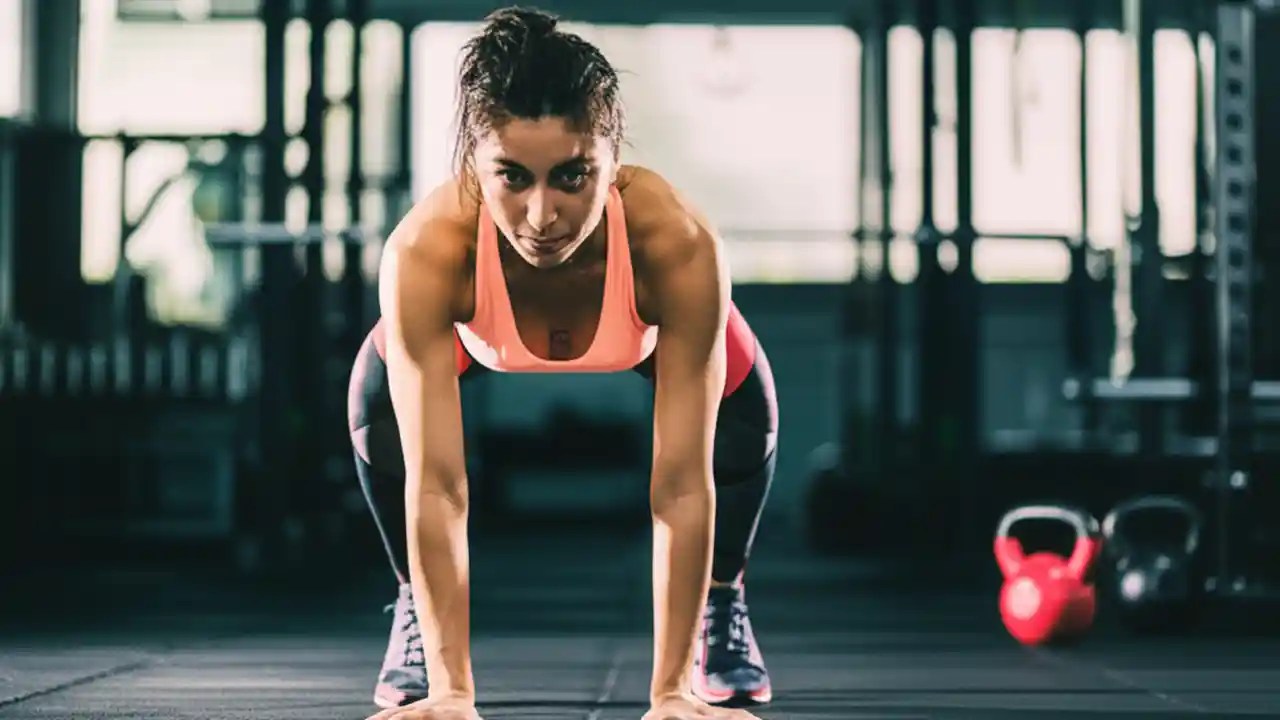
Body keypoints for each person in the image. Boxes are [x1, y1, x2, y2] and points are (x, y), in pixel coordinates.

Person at [347, 7, 779, 720]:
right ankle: (416, 609)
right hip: (471, 333)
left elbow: (678, 487)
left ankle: (720, 600)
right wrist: (454, 697)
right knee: (376, 411)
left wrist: (669, 696)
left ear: (614, 161)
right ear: (473, 166)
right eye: (511, 177)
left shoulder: (677, 245)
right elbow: (440, 489)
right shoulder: (425, 251)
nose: (542, 214)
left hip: (642, 327)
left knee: (746, 412)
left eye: (572, 176)